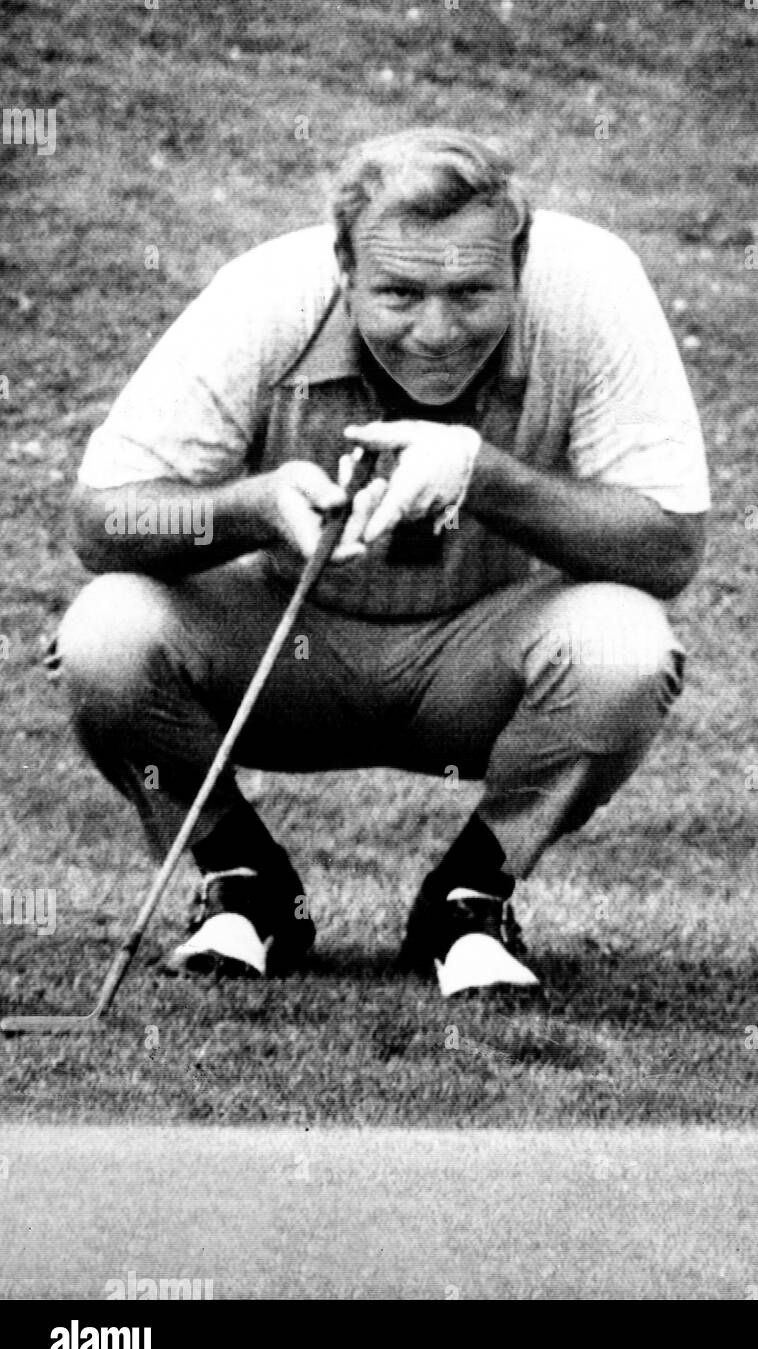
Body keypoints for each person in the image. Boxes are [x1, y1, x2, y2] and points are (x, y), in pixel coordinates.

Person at [56, 127, 709, 997]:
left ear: (520, 263)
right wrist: (249, 509)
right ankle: (244, 887)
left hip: (480, 661)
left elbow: (668, 545)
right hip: (285, 648)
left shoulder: (593, 284)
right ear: (343, 264)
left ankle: (468, 900)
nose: (436, 332)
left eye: (473, 292)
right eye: (399, 293)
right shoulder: (265, 292)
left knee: (627, 644)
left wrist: (484, 477)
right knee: (107, 631)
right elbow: (101, 521)